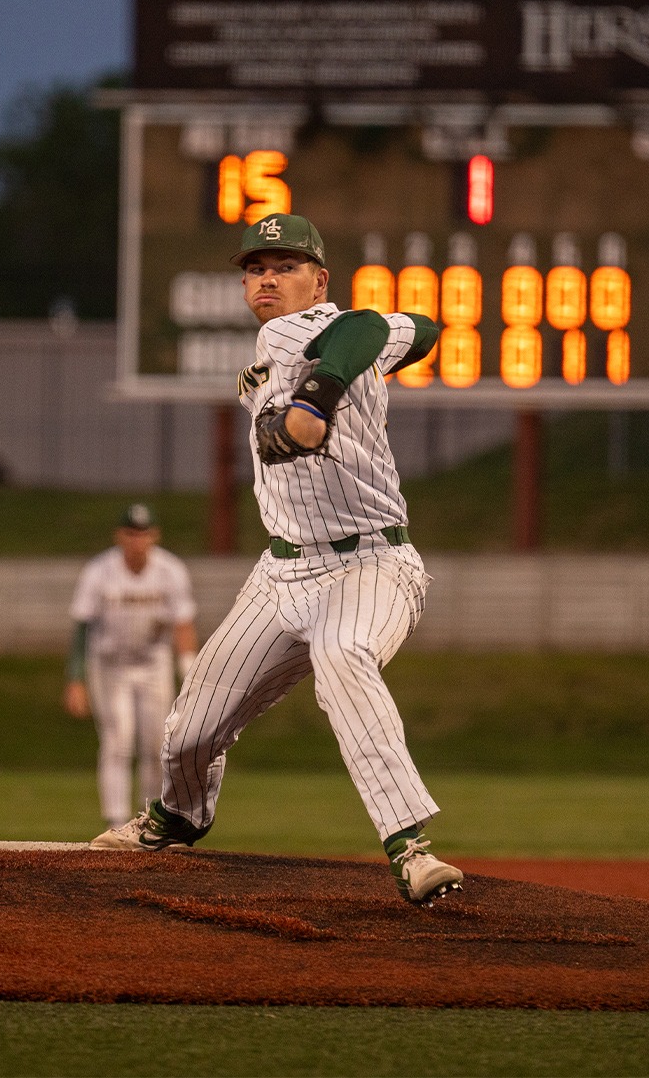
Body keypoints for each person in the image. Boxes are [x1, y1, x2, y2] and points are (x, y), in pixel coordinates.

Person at [91, 213, 463, 906]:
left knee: (344, 655)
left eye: (285, 266)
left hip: (371, 566)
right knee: (189, 729)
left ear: (319, 282)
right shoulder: (332, 337)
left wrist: (318, 397)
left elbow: (369, 328)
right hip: (282, 572)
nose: (266, 278)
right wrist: (341, 370)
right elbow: (417, 328)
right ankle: (176, 817)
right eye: (256, 269)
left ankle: (409, 845)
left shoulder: (300, 329)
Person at [65, 503, 199, 834]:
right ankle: (114, 820)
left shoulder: (170, 571)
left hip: (153, 662)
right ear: (119, 536)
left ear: (154, 536)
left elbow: (183, 623)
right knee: (118, 739)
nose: (137, 541)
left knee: (156, 743)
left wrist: (189, 669)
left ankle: (149, 817)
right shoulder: (100, 571)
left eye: (143, 534)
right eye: (130, 533)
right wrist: (75, 679)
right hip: (110, 664)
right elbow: (82, 624)